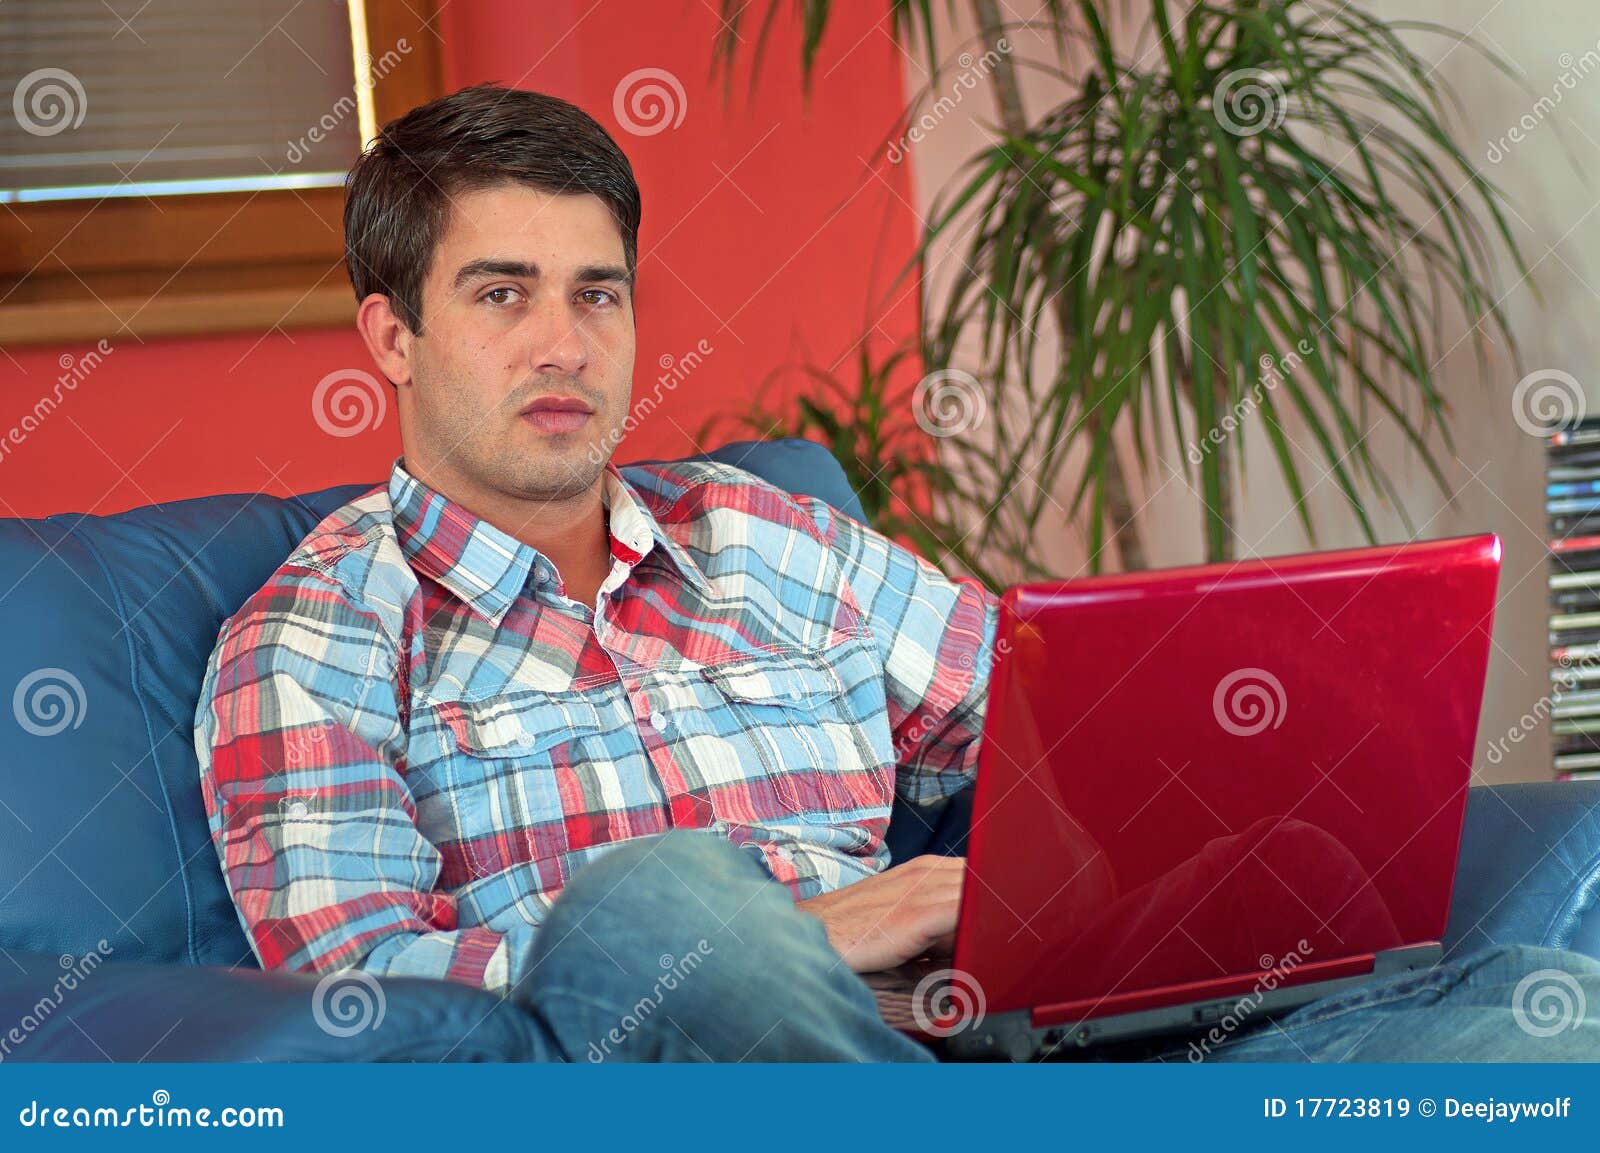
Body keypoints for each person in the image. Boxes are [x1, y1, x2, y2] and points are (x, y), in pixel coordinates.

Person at [195, 83, 1600, 1062]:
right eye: (501, 294)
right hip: (694, 1066)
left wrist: (1253, 757)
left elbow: (1076, 739)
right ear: (390, 337)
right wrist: (805, 928)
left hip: (988, 1031)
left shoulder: (772, 539)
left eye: (597, 291)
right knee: (654, 905)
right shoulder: (316, 639)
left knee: (1543, 995)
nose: (563, 343)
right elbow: (356, 992)